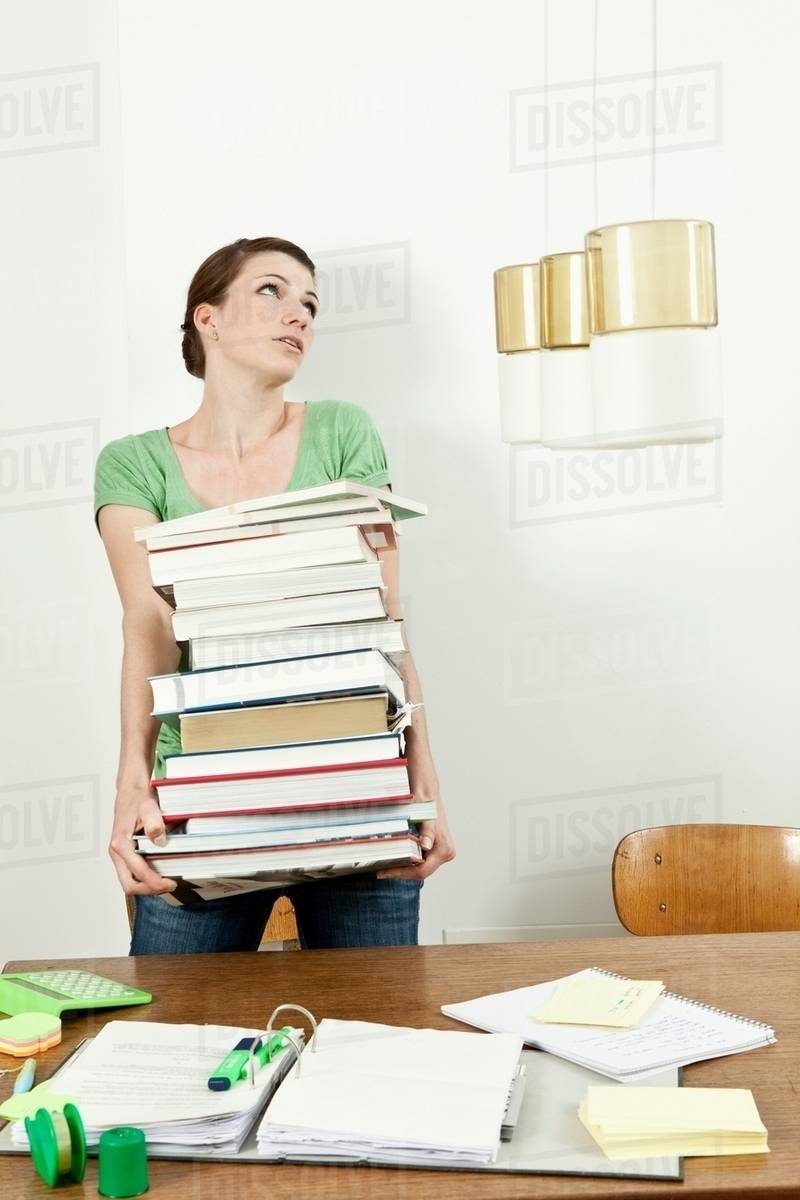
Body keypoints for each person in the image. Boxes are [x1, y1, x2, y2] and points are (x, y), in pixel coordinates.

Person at [93, 236, 455, 954]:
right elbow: (148, 623)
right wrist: (132, 778)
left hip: (356, 783)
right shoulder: (133, 464)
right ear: (209, 319)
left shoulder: (344, 431)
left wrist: (424, 774)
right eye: (272, 291)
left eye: (310, 303)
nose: (300, 315)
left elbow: (383, 619)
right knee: (175, 1038)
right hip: (202, 799)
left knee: (374, 1041)